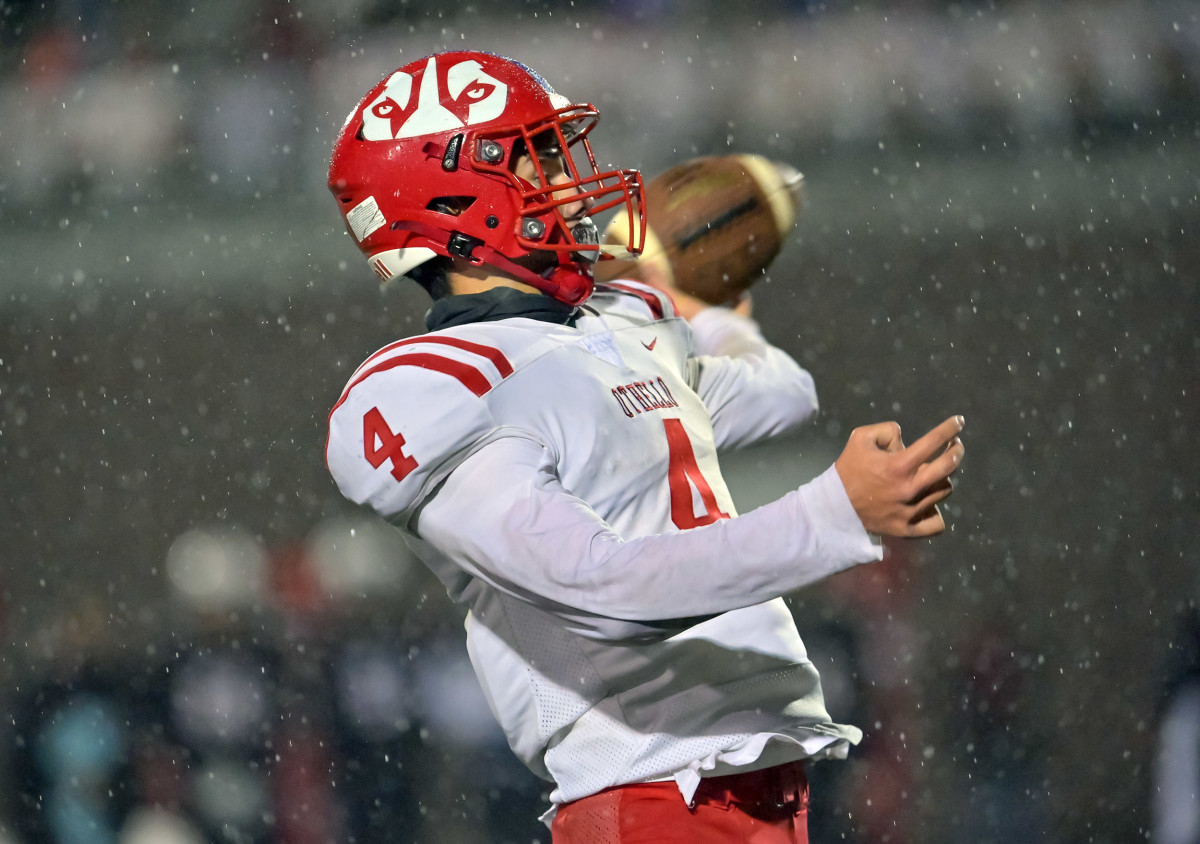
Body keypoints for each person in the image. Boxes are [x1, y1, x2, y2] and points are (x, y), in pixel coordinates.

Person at [323, 50, 964, 843]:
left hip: (753, 791)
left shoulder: (617, 323)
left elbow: (785, 389)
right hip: (653, 796)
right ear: (457, 197)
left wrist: (692, 303)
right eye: (539, 158)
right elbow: (603, 591)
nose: (570, 178)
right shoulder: (439, 388)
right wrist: (833, 514)